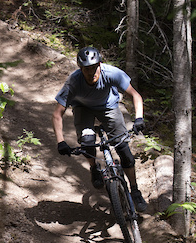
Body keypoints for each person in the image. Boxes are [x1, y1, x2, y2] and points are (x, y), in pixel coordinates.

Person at [52, 46, 148, 213]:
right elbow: (57, 114)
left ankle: (135, 190)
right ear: (80, 69)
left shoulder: (111, 73)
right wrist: (61, 142)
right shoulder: (74, 82)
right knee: (87, 142)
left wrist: (139, 118)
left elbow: (135, 95)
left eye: (94, 68)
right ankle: (94, 168)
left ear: (100, 65)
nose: (91, 73)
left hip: (109, 107)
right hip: (83, 108)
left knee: (124, 150)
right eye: (86, 69)